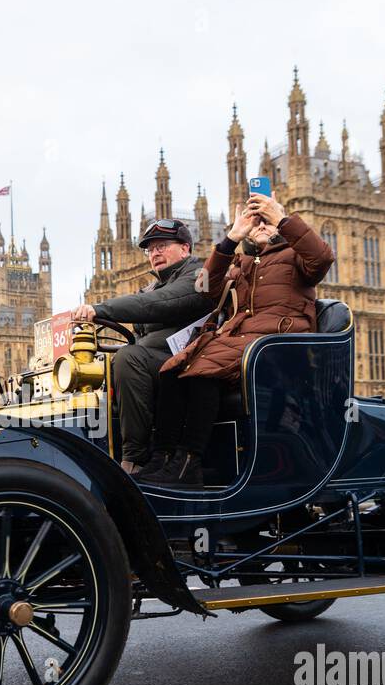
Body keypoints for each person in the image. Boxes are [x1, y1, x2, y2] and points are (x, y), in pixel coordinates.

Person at [138, 192, 335, 488]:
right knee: (171, 370)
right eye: (255, 224)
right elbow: (204, 288)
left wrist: (281, 217)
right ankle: (164, 458)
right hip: (239, 343)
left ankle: (188, 464)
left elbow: (322, 257)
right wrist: (230, 239)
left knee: (205, 372)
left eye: (266, 223)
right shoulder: (241, 264)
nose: (261, 227)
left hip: (276, 347)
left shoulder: (296, 258)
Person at [70, 219, 213, 474]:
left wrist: (99, 309)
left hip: (189, 366)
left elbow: (158, 303)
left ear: (185, 248)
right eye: (150, 249)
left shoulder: (199, 275)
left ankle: (134, 461)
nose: (155, 253)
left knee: (129, 358)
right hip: (161, 365)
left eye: (162, 246)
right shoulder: (153, 285)